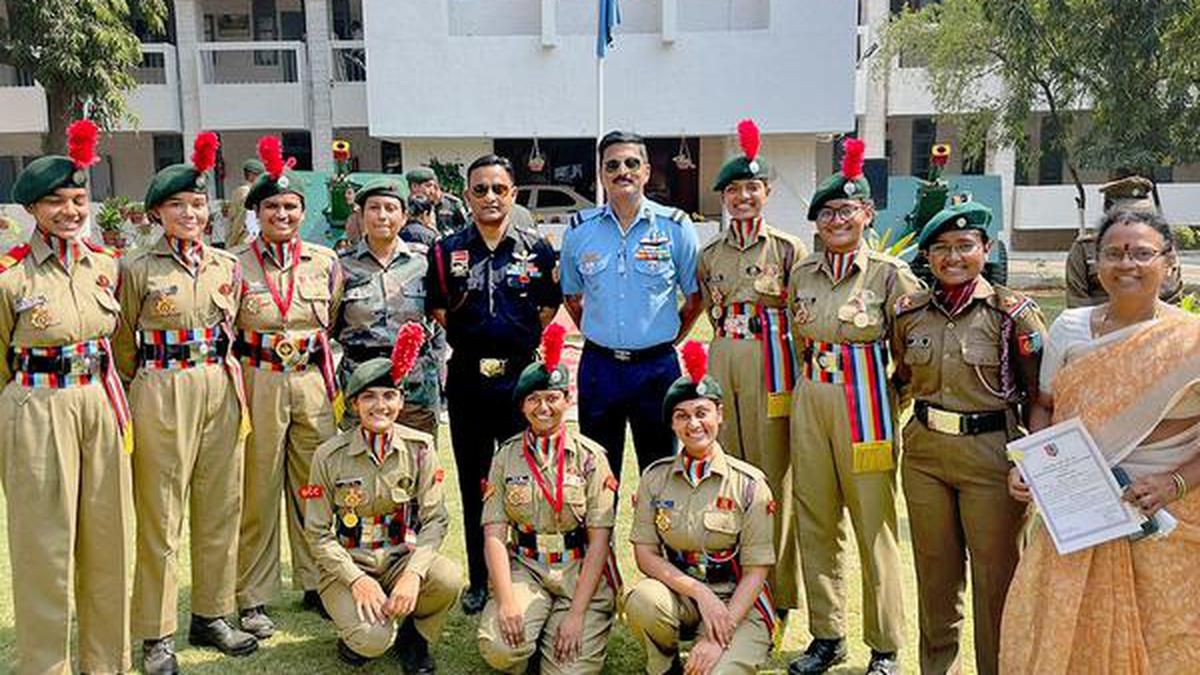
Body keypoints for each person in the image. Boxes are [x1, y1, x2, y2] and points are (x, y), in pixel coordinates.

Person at [1001, 209, 1200, 674]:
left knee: (1168, 642)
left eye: (1142, 253)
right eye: (1114, 253)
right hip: (1079, 513)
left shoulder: (1191, 341)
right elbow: (1045, 405)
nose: (1127, 264)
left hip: (1168, 518)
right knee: (1069, 639)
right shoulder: (1069, 328)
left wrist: (1174, 484)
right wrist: (1035, 466)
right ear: (1096, 262)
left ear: (1169, 261)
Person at [114, 132, 258, 673]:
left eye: (198, 204)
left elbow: (234, 327)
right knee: (162, 515)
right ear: (157, 212)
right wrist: (143, 388)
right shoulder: (136, 268)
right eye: (178, 205)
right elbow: (122, 343)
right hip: (161, 386)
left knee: (221, 506)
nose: (190, 213)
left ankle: (213, 614)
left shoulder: (225, 266)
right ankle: (156, 633)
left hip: (220, 384)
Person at [0, 120, 134, 674]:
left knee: (110, 539)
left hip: (99, 403)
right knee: (44, 547)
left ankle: (106, 663)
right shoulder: (10, 276)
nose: (70, 211)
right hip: (37, 407)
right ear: (32, 208)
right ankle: (44, 665)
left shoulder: (105, 265)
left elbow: (119, 346)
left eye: (78, 200)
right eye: (56, 202)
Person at [891, 201, 1046, 675]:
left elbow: (1040, 395)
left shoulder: (1013, 315)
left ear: (986, 248)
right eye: (941, 248)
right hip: (924, 454)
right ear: (927, 256)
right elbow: (902, 378)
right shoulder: (909, 313)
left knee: (997, 579)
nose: (953, 257)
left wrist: (1031, 462)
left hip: (992, 454)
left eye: (964, 246)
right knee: (935, 575)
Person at [786, 138, 920, 675]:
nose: (837, 220)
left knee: (874, 525)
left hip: (865, 408)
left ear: (867, 213)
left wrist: (890, 401)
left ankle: (884, 646)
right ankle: (827, 635)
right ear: (816, 223)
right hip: (812, 400)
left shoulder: (889, 274)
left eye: (846, 210)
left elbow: (912, 350)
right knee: (815, 518)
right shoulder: (803, 274)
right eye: (827, 213)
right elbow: (798, 339)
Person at [426, 154, 562, 614]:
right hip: (468, 380)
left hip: (520, 383)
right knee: (475, 482)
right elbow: (440, 308)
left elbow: (546, 307)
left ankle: (522, 572)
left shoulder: (536, 249)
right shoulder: (445, 250)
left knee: (523, 478)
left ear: (513, 194)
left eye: (499, 189)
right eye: (480, 189)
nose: (489, 197)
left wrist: (513, 339)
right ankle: (480, 579)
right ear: (467, 196)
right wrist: (479, 339)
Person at [233, 135, 345, 638]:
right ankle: (254, 595)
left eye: (290, 206)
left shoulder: (324, 261)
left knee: (313, 486)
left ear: (303, 211)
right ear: (257, 212)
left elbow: (332, 318)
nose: (282, 214)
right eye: (272, 207)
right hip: (259, 380)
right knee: (257, 488)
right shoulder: (234, 263)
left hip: (311, 382)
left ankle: (317, 581)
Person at [305, 327, 463, 671]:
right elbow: (317, 533)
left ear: (401, 401)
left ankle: (415, 637)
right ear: (354, 404)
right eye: (369, 397)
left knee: (448, 578)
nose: (381, 406)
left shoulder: (420, 448)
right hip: (350, 562)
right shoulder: (328, 456)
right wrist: (356, 579)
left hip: (398, 559)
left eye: (389, 396)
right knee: (372, 640)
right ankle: (359, 631)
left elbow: (436, 520)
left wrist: (413, 574)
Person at [699, 119, 807, 619]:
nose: (743, 197)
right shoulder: (710, 255)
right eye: (734, 190)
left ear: (767, 192)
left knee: (772, 475)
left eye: (752, 188)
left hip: (772, 362)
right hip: (725, 355)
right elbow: (711, 311)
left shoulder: (787, 250)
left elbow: (802, 313)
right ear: (723, 197)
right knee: (728, 471)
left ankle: (778, 591)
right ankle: (732, 581)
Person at [625, 341, 778, 675]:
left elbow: (756, 571)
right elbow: (645, 555)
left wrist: (715, 637)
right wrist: (698, 592)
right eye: (682, 416)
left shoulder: (749, 484)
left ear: (719, 415)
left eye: (701, 413)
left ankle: (722, 647)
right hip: (682, 595)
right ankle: (664, 665)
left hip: (737, 600)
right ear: (672, 425)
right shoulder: (655, 478)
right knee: (643, 600)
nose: (693, 424)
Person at [560, 130, 703, 485]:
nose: (622, 171)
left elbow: (695, 298)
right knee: (597, 473)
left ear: (646, 171)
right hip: (600, 367)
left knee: (661, 473)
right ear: (601, 173)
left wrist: (668, 338)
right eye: (612, 165)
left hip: (657, 369)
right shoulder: (579, 230)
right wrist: (601, 331)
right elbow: (572, 297)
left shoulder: (676, 227)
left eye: (631, 163)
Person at [477, 323, 620, 674]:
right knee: (499, 648)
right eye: (534, 399)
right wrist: (507, 601)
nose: (544, 407)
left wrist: (577, 614)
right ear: (522, 406)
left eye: (552, 398)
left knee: (568, 671)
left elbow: (599, 541)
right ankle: (535, 630)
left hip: (578, 570)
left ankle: (562, 626)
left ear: (567, 401)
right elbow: (494, 535)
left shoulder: (591, 458)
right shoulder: (506, 456)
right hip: (527, 567)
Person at [333, 177, 441, 438]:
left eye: (391, 208)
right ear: (361, 215)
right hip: (360, 383)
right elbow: (329, 323)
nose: (382, 216)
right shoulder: (340, 266)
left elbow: (439, 320)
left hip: (415, 386)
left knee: (416, 456)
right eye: (374, 208)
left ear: (404, 217)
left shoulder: (424, 263)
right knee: (359, 457)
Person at [1064, 175, 1183, 307]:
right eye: (1124, 215)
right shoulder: (1085, 249)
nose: (1134, 220)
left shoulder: (1163, 248)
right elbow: (1077, 302)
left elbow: (1171, 297)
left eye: (1141, 215)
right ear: (1107, 212)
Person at [407, 166, 469, 236]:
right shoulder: (411, 205)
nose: (431, 190)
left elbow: (467, 227)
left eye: (430, 185)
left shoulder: (453, 203)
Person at [226, 158, 265, 249]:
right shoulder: (245, 192)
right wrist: (233, 240)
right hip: (245, 237)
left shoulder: (247, 191)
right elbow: (240, 219)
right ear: (251, 175)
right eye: (259, 175)